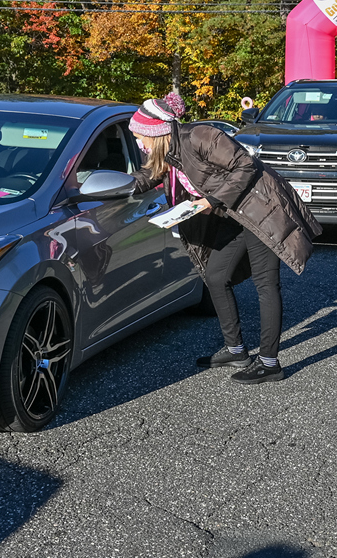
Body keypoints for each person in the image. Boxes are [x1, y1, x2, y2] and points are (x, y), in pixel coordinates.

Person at [129, 92, 322, 384]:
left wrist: (209, 200)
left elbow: (246, 166)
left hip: (259, 209)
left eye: (139, 136)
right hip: (234, 216)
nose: (137, 143)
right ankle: (236, 350)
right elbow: (150, 176)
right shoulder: (170, 150)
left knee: (266, 284)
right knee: (216, 277)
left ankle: (270, 363)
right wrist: (119, 187)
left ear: (155, 132)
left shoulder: (200, 136)